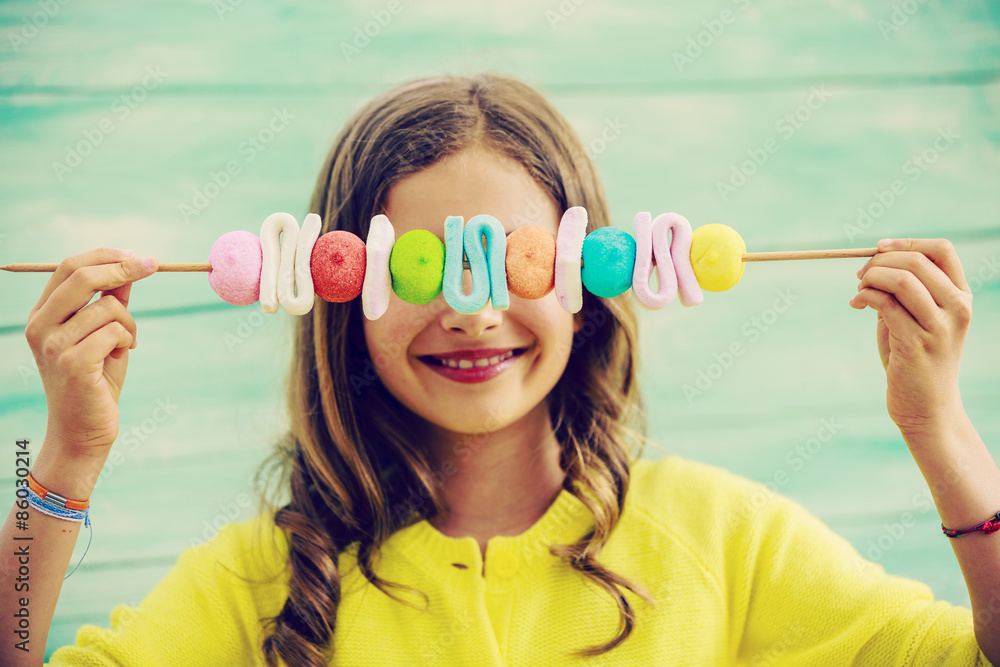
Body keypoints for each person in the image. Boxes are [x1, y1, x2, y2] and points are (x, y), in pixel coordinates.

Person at [1, 73, 997, 667]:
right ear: (339, 286)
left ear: (585, 282)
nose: (473, 309)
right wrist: (64, 462)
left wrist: (942, 433)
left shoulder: (725, 539)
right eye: (419, 264)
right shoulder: (258, 580)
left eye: (515, 260)